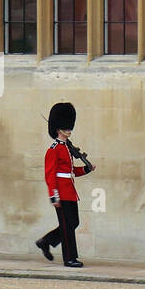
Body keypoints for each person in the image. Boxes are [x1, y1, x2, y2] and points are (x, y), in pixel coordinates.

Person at [35, 102, 95, 267]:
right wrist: (54, 195)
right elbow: (50, 175)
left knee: (73, 223)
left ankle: (46, 241)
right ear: (58, 129)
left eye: (70, 127)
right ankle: (69, 258)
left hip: (70, 191)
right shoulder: (53, 149)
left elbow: (71, 172)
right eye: (66, 127)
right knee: (67, 226)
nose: (69, 130)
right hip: (61, 192)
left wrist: (86, 169)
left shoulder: (67, 149)